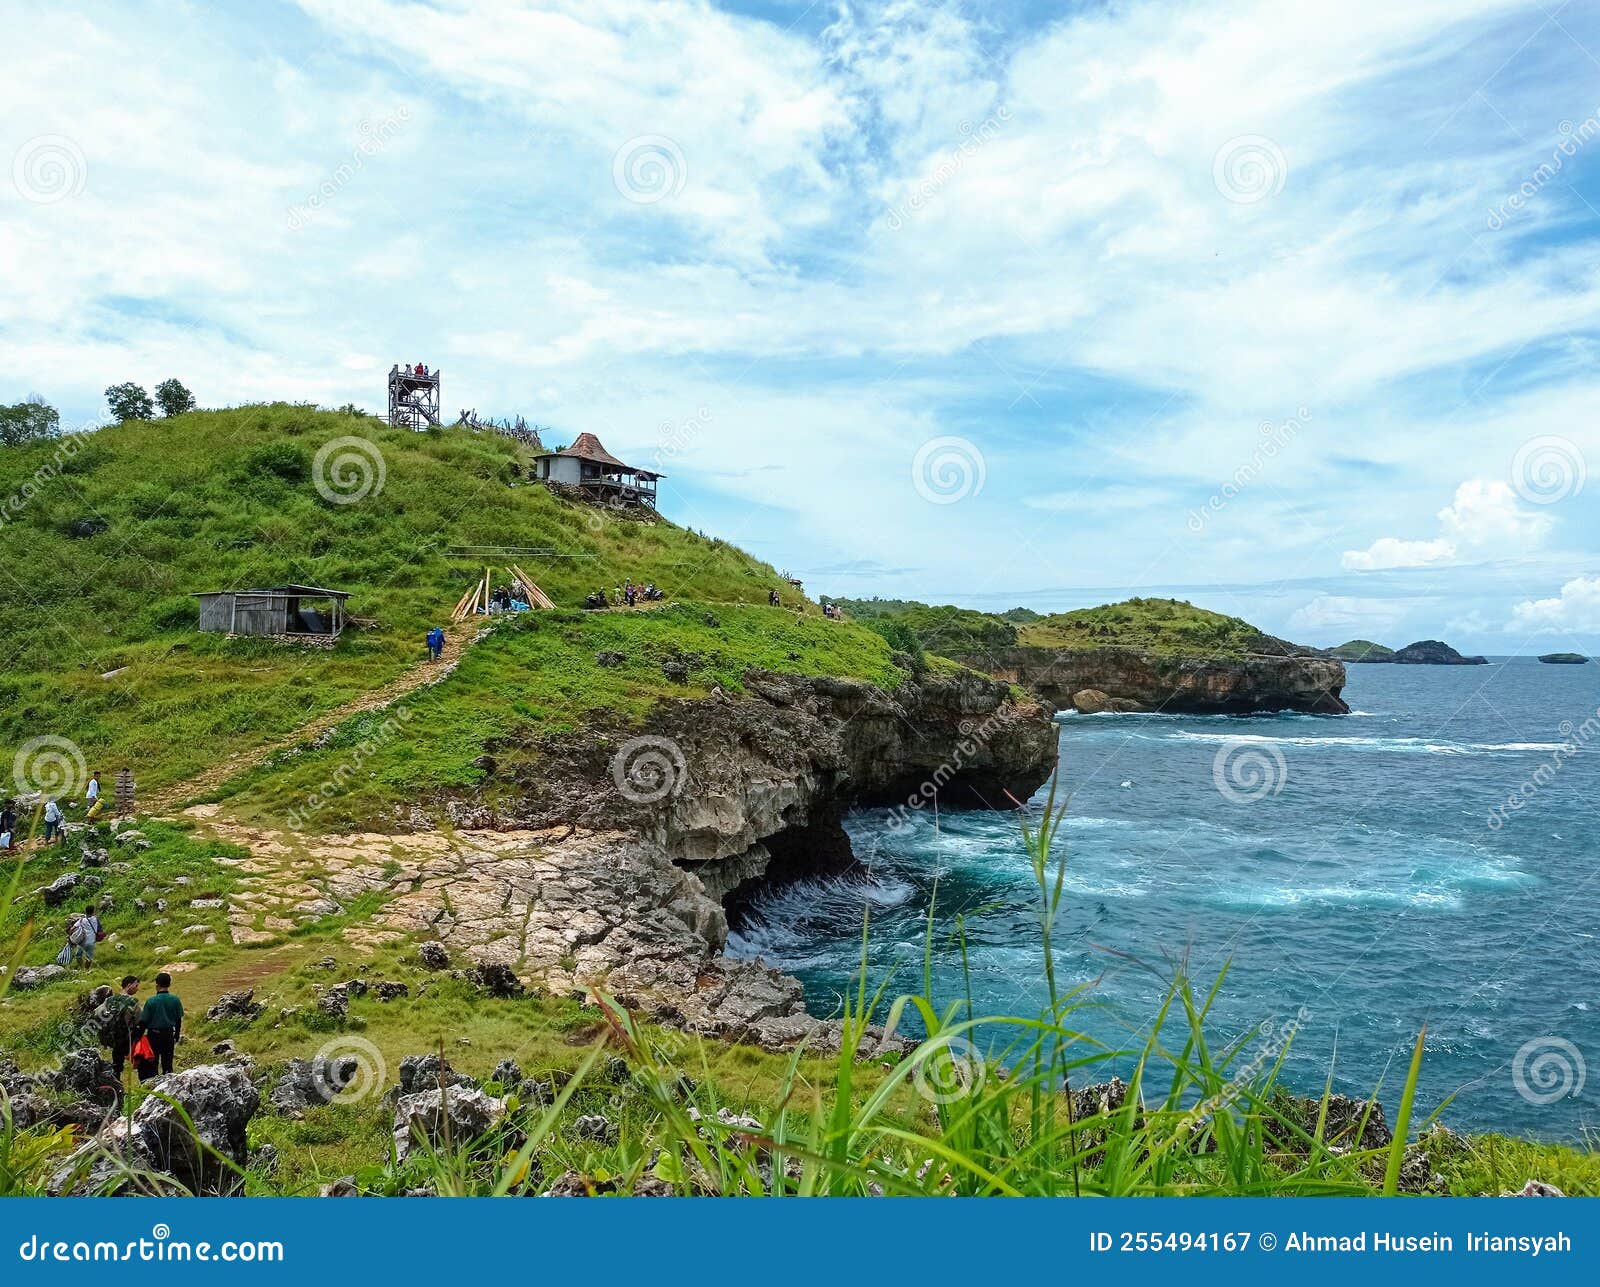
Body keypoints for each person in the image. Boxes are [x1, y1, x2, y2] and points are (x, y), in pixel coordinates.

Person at [141, 972, 184, 1075]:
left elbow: (144, 1021)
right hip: (168, 1034)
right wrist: (177, 1034)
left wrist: (139, 1037)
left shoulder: (151, 1001)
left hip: (153, 1035)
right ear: (169, 984)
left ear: (157, 985)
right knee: (168, 1063)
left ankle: (154, 1085)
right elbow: (178, 1019)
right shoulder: (175, 1000)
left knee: (153, 1063)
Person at [101, 976, 142, 1079]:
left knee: (116, 1061)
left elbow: (100, 1015)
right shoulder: (133, 1002)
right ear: (129, 985)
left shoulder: (109, 1000)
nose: (137, 989)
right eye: (136, 985)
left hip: (111, 1036)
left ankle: (115, 1079)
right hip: (126, 1037)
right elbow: (139, 1020)